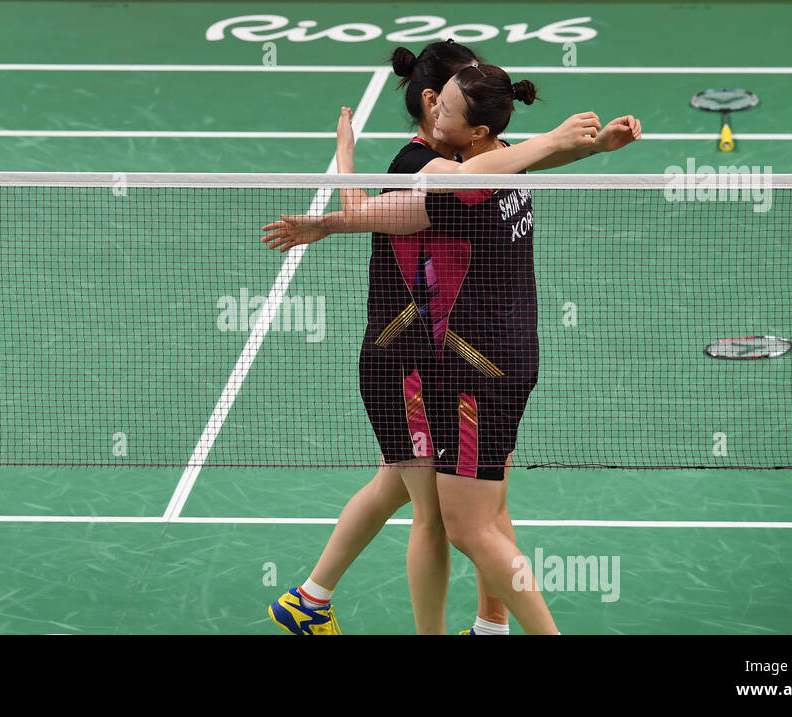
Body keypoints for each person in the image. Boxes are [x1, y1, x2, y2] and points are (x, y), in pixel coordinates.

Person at [265, 62, 641, 634]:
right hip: (433, 358)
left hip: (472, 361)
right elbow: (379, 210)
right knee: (442, 510)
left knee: (463, 519)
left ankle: (323, 601)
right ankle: (328, 602)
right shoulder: (435, 167)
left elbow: (517, 161)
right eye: (437, 98)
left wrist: (588, 148)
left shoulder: (473, 169)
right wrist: (341, 183)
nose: (432, 105)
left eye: (449, 104)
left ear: (480, 132)